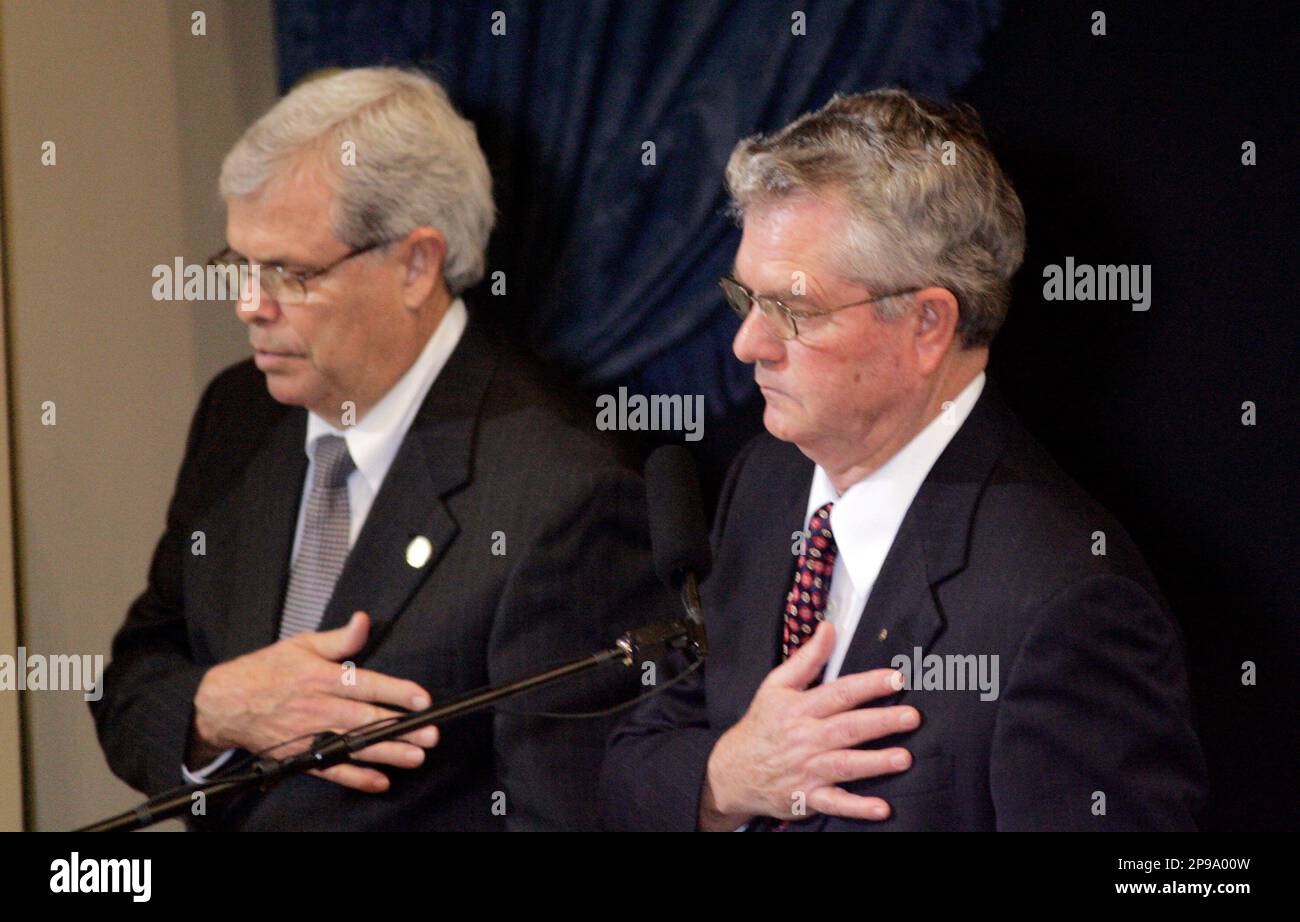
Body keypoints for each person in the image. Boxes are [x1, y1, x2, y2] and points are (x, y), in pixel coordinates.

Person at [601, 89, 1207, 831]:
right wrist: (728, 777)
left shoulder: (1066, 605)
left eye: (793, 310)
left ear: (927, 324)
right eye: (744, 299)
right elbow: (635, 758)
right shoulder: (768, 480)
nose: (748, 345)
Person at [91, 67, 669, 831]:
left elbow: (566, 818)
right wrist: (217, 709)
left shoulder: (562, 493)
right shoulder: (238, 418)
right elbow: (133, 680)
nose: (248, 306)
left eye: (290, 273)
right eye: (241, 264)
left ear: (415, 265)